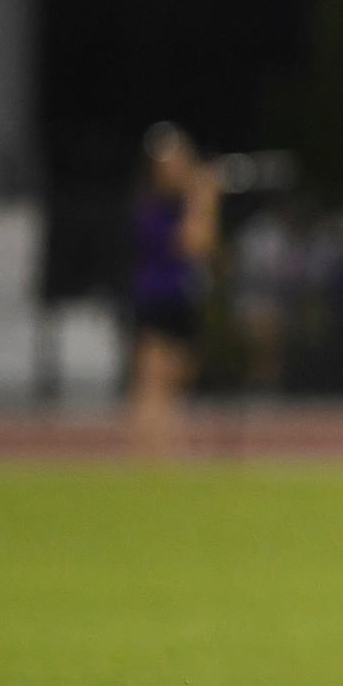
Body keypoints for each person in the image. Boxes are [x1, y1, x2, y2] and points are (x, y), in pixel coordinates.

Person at [129, 123, 219, 457]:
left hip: (182, 301)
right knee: (153, 380)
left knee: (179, 379)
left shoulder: (180, 204)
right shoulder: (150, 209)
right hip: (155, 300)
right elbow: (194, 243)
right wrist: (204, 200)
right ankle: (151, 453)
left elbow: (209, 249)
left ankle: (168, 447)